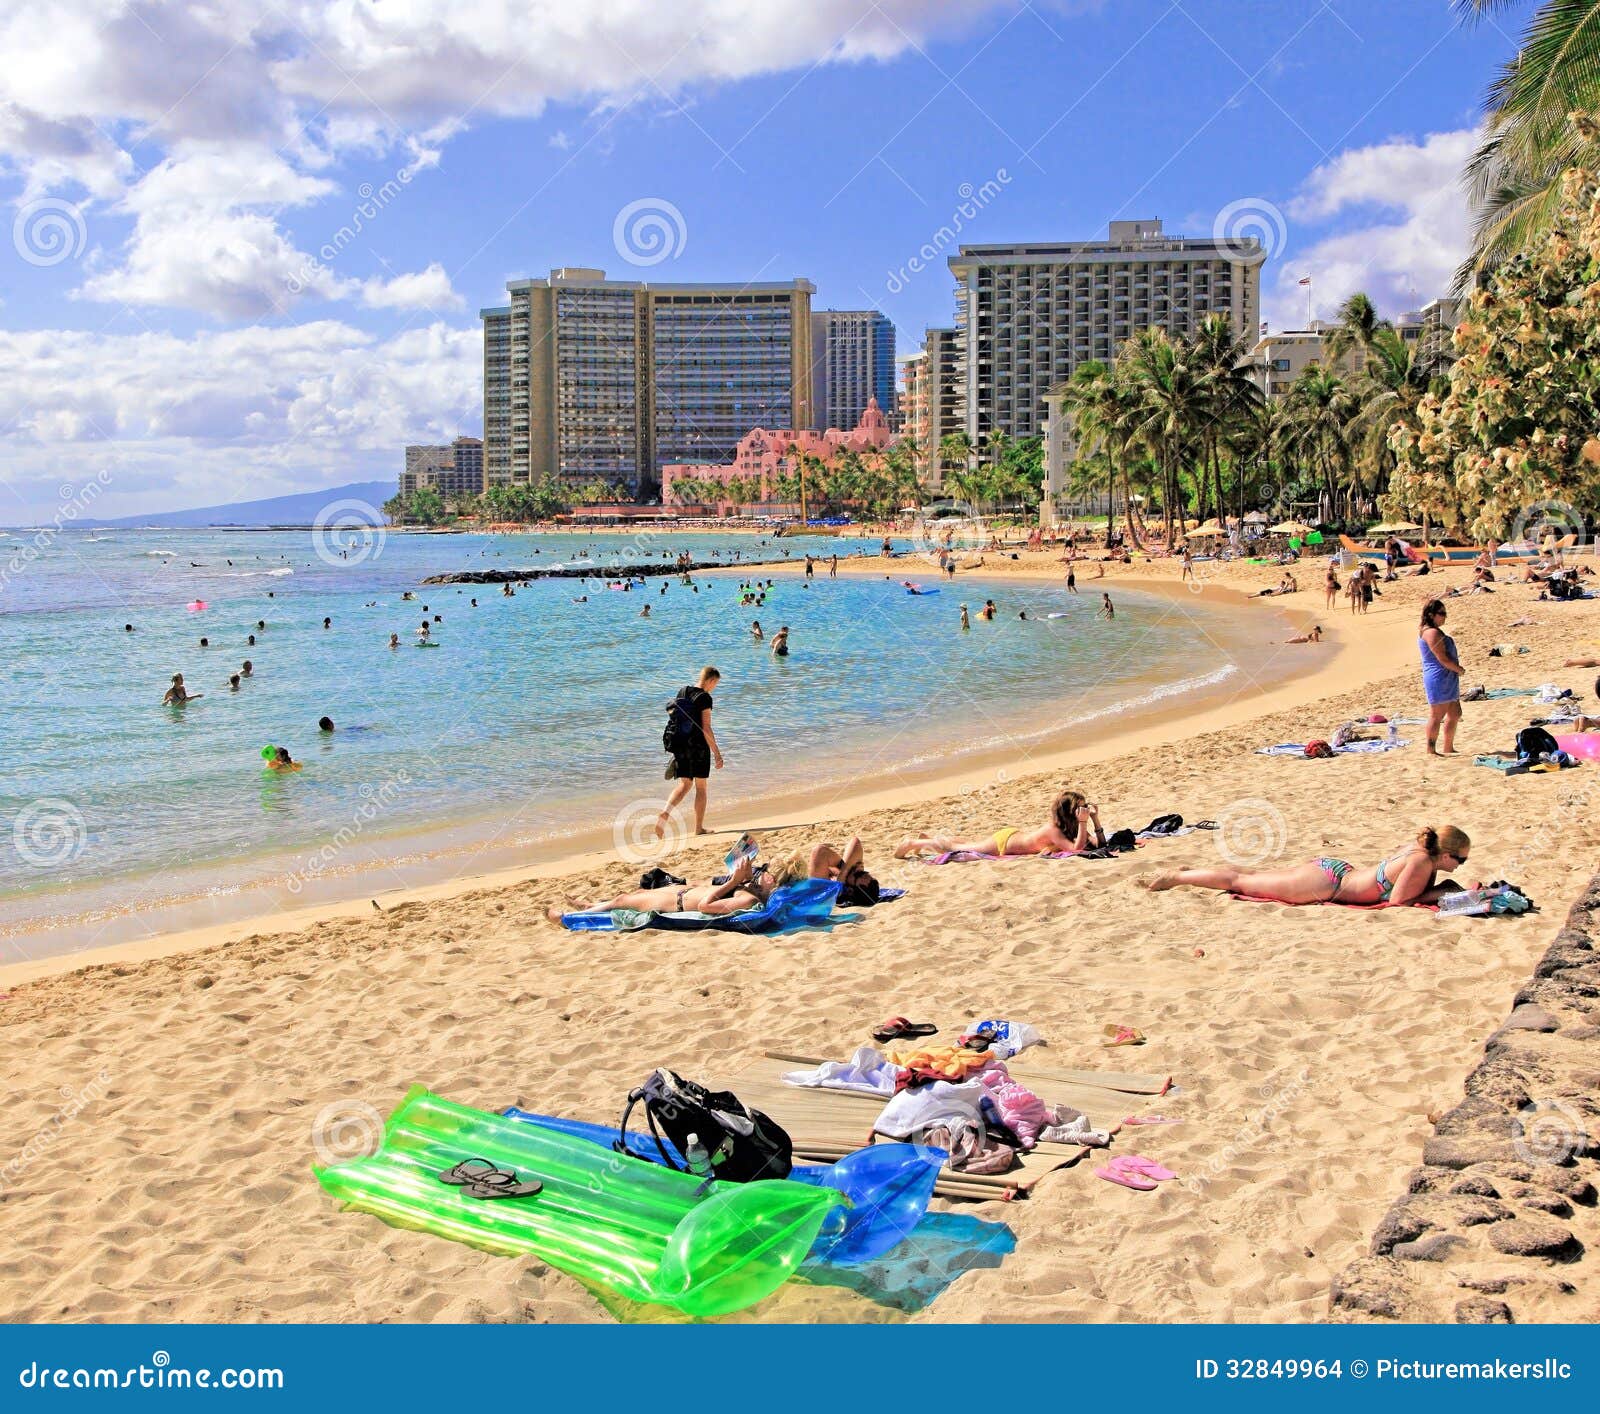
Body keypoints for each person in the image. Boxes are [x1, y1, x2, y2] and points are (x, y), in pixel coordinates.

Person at [1145, 825, 1474, 906]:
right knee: (1240, 882)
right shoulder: (1421, 860)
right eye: (1461, 859)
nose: (1461, 864)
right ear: (1445, 855)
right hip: (1327, 884)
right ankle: (1177, 877)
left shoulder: (1422, 851)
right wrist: (1442, 893)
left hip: (1333, 871)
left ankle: (1189, 873)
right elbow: (1399, 902)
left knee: (1250, 877)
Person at [550, 854, 772, 923]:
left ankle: (568, 918)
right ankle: (590, 906)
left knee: (621, 901)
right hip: (680, 892)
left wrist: (733, 882)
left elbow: (705, 906)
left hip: (675, 903)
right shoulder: (748, 891)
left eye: (762, 876)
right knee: (633, 894)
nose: (759, 875)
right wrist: (741, 878)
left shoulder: (747, 900)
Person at [894, 789, 1105, 858]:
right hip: (1005, 843)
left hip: (1013, 836)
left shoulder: (1072, 828)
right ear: (1069, 812)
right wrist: (1083, 822)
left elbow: (1099, 844)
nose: (1083, 811)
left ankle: (928, 839)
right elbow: (1075, 850)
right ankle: (912, 843)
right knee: (958, 849)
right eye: (1080, 808)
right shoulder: (1053, 830)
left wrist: (1094, 820)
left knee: (967, 842)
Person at [657, 666, 723, 838]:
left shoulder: (683, 691)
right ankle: (699, 828)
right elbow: (706, 728)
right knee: (701, 787)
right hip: (698, 747)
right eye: (715, 684)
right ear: (711, 680)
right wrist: (716, 752)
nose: (714, 687)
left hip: (680, 744)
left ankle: (665, 813)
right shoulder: (705, 698)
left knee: (685, 784)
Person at [1419, 598, 1463, 756]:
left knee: (1455, 713)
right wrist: (1459, 669)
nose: (1445, 616)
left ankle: (1448, 747)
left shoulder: (1434, 630)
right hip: (1439, 677)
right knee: (1437, 715)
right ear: (1431, 615)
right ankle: (1431, 750)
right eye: (1441, 613)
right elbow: (1442, 658)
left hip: (1447, 676)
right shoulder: (1431, 632)